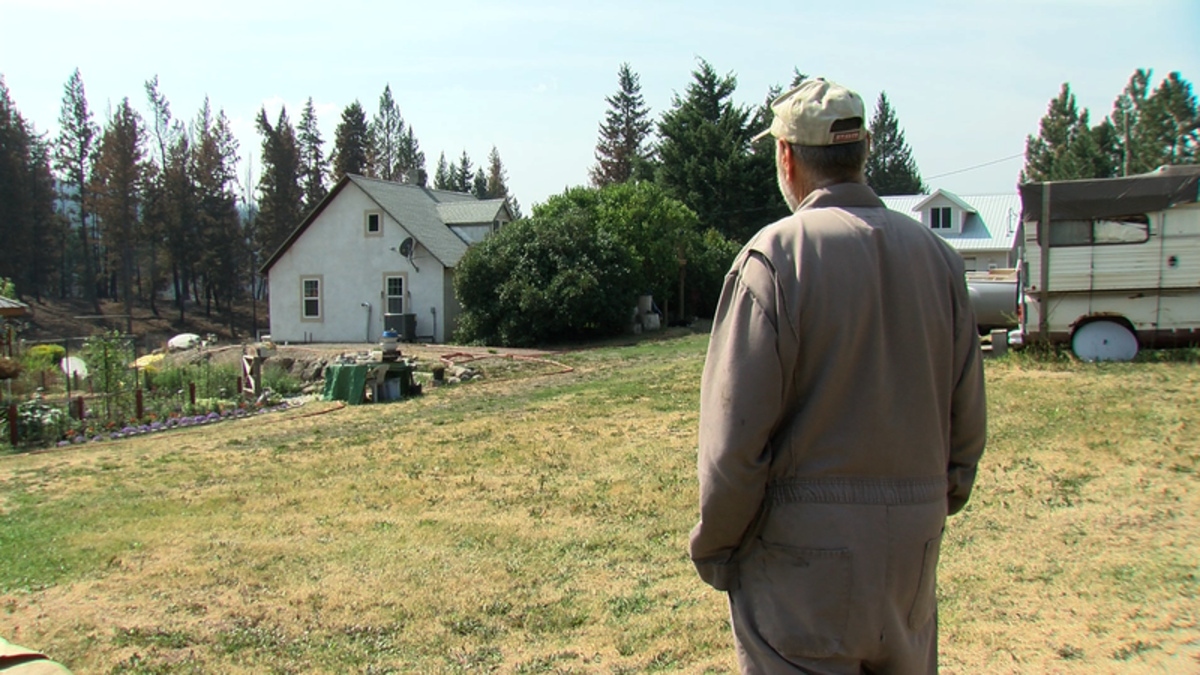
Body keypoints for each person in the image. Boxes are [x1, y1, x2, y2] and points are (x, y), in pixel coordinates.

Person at [689, 78, 987, 674]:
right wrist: (928, 505)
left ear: (786, 157)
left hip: (801, 566)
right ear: (862, 154)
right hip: (912, 553)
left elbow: (733, 447)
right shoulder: (938, 259)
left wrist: (717, 547)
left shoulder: (773, 259)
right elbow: (966, 425)